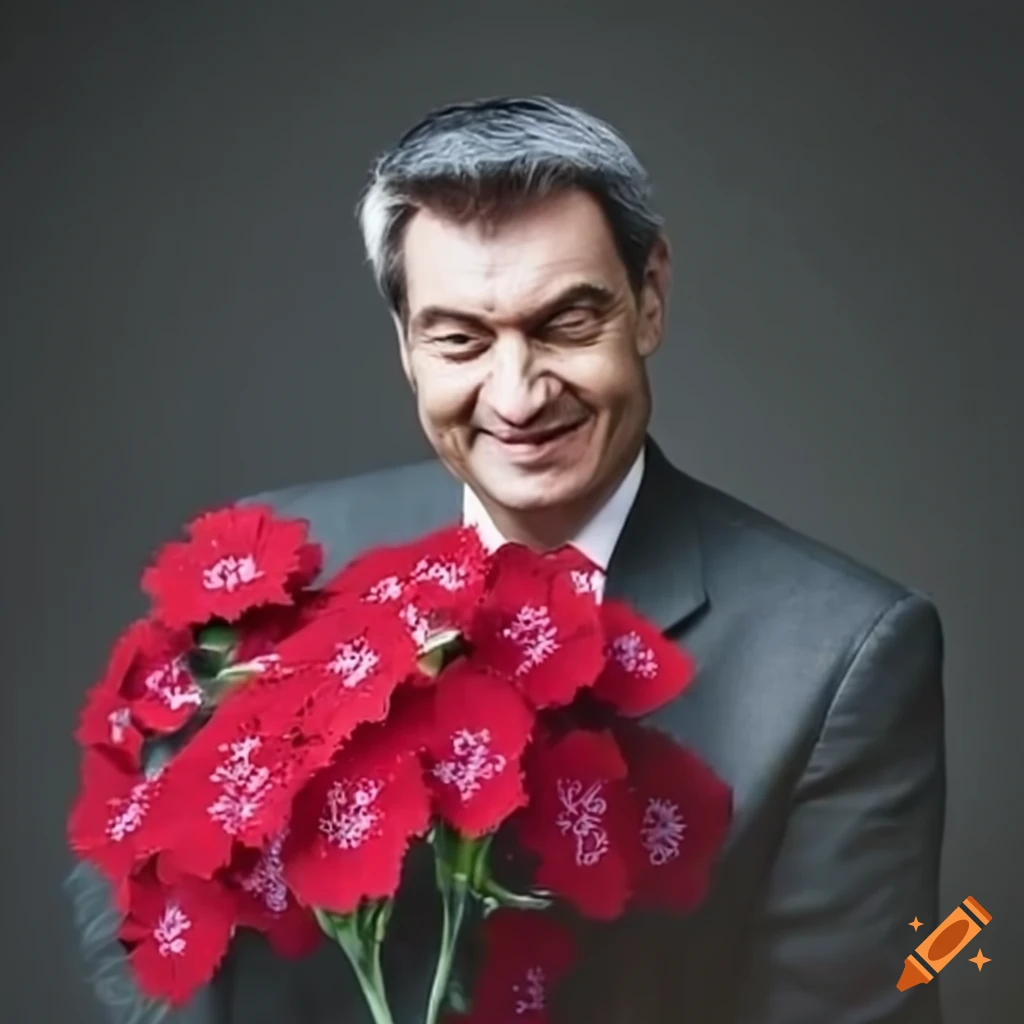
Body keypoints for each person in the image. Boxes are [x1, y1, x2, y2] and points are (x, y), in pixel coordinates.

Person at [67, 96, 946, 1023]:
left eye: (567, 324)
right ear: (406, 345)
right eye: (461, 339)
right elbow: (127, 876)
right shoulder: (269, 564)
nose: (517, 396)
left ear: (650, 298)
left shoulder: (843, 656)